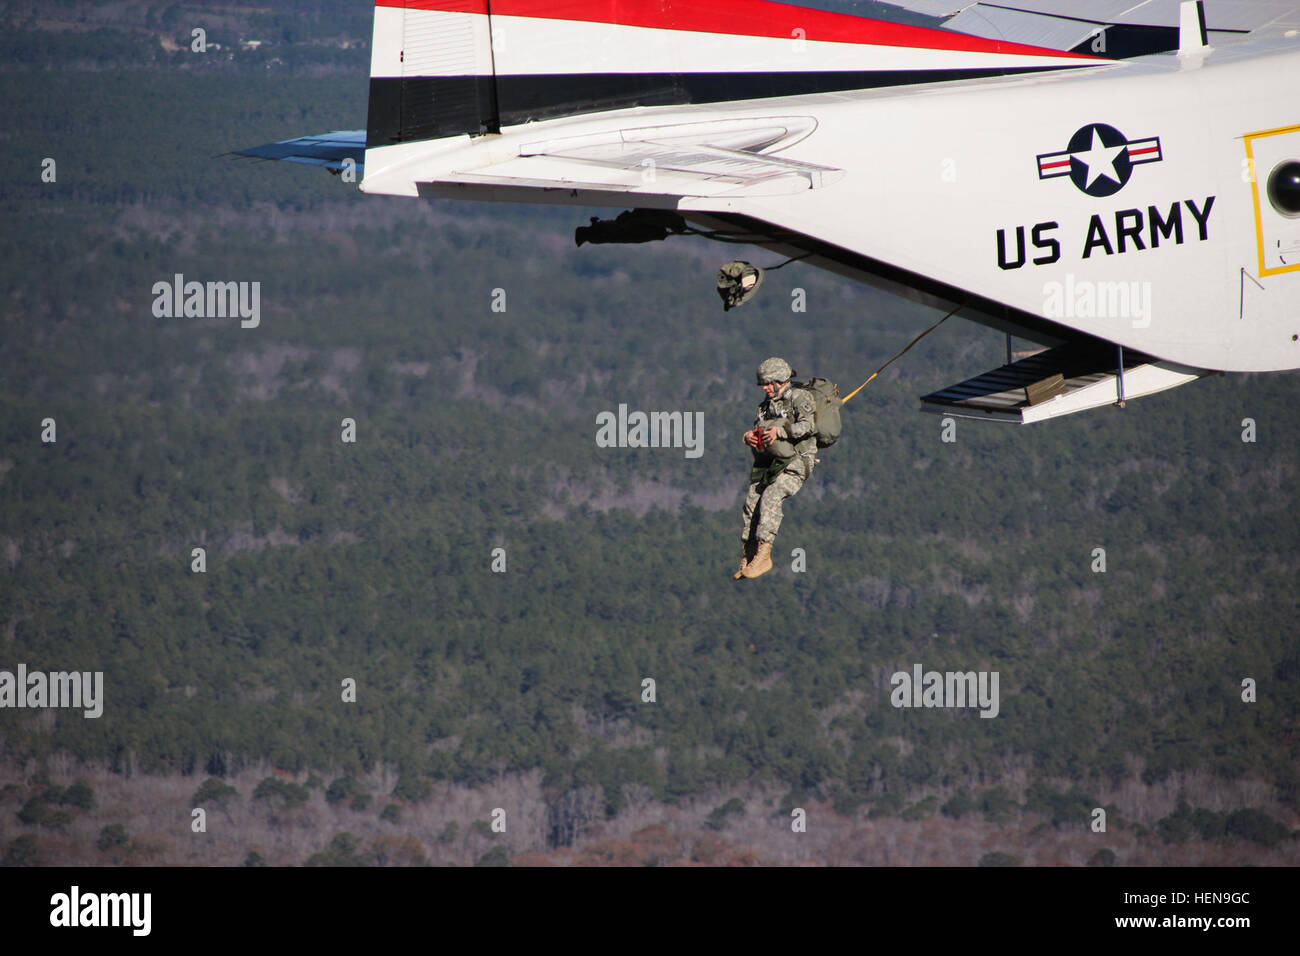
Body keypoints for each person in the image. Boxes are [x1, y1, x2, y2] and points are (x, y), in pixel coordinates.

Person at [736, 357, 818, 580]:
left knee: (771, 497)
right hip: (772, 463)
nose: (765, 388)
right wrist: (748, 437)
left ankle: (764, 553)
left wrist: (781, 432)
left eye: (768, 383)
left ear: (781, 380)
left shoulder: (801, 398)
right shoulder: (766, 406)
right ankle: (750, 553)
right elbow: (758, 427)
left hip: (797, 462)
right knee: (752, 500)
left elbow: (809, 426)